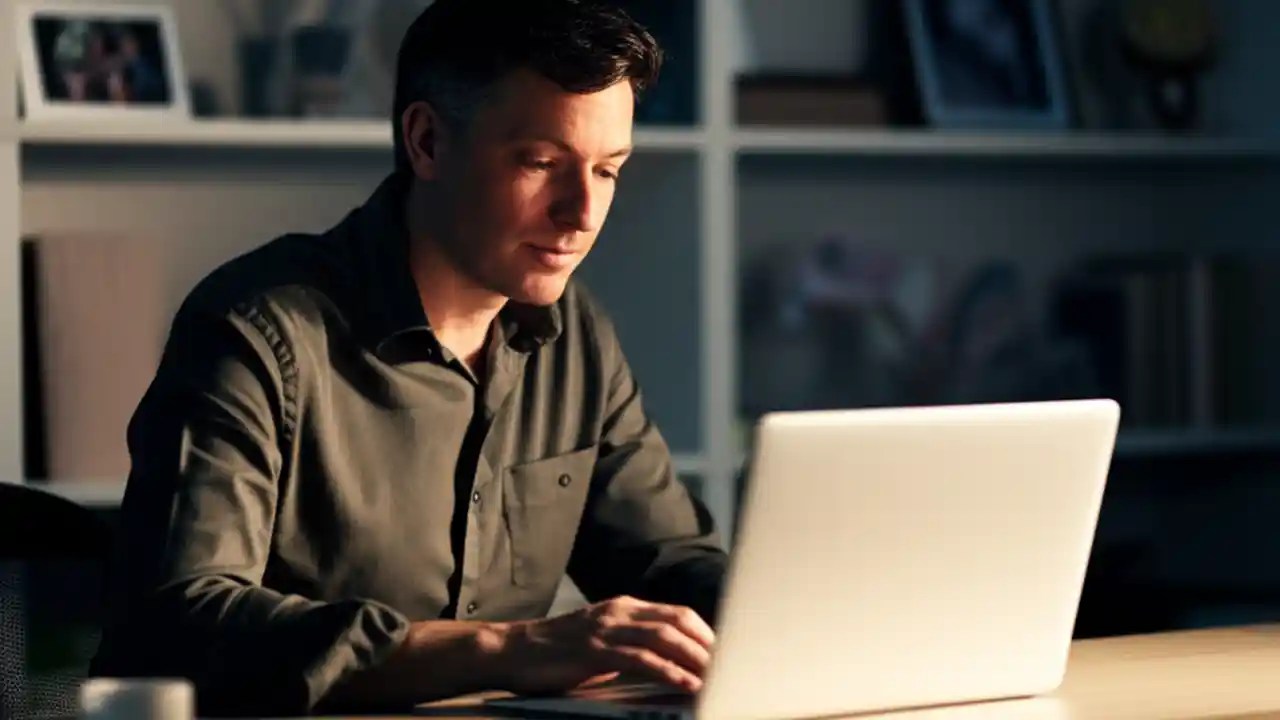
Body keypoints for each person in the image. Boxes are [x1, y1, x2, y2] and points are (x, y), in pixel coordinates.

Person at [90, 0, 727, 715]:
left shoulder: (572, 331)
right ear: (427, 141)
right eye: (543, 163)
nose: (582, 212)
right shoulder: (256, 332)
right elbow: (175, 623)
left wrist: (801, 615)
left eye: (608, 171)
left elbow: (667, 562)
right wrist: (508, 650)